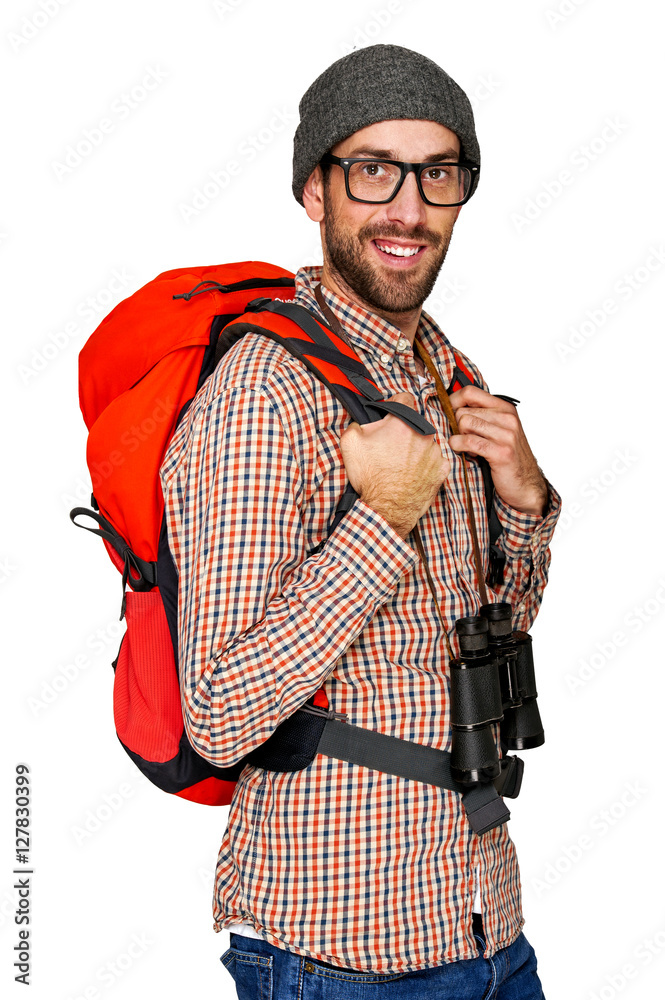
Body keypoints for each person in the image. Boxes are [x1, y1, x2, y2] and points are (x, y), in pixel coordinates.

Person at [160, 44, 560, 998]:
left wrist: (524, 506)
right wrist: (383, 519)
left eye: (437, 173)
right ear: (315, 190)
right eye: (372, 170)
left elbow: (489, 632)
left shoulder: (442, 368)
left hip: (483, 923)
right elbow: (216, 713)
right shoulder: (265, 393)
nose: (408, 208)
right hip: (341, 952)